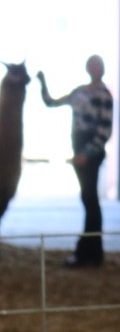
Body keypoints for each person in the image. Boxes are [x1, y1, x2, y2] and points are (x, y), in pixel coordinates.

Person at [38, 55, 115, 268]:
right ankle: (90, 252)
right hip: (79, 146)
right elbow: (51, 102)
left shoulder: (104, 95)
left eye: (97, 65)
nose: (94, 68)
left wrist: (87, 153)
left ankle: (89, 252)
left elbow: (105, 130)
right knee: (88, 199)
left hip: (90, 150)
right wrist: (42, 83)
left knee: (90, 200)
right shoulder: (80, 92)